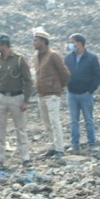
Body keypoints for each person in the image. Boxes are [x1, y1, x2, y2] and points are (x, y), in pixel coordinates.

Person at [0, 34, 33, 168]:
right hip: (0, 96)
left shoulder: (19, 60)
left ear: (3, 45)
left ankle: (25, 157)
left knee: (20, 128)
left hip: (16, 97)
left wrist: (26, 100)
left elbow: (28, 81)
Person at [32, 29, 70, 160]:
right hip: (41, 93)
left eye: (36, 40)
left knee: (54, 121)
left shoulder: (53, 55)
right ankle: (53, 146)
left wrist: (59, 86)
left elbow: (65, 73)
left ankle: (60, 149)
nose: (34, 42)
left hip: (52, 94)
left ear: (43, 41)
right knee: (47, 122)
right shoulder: (36, 56)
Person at [65, 34, 100, 154]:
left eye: (72, 42)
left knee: (88, 120)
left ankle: (92, 144)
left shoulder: (91, 58)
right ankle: (75, 144)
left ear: (79, 43)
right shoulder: (68, 58)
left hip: (85, 94)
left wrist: (90, 90)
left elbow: (98, 75)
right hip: (72, 94)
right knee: (73, 121)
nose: (70, 45)